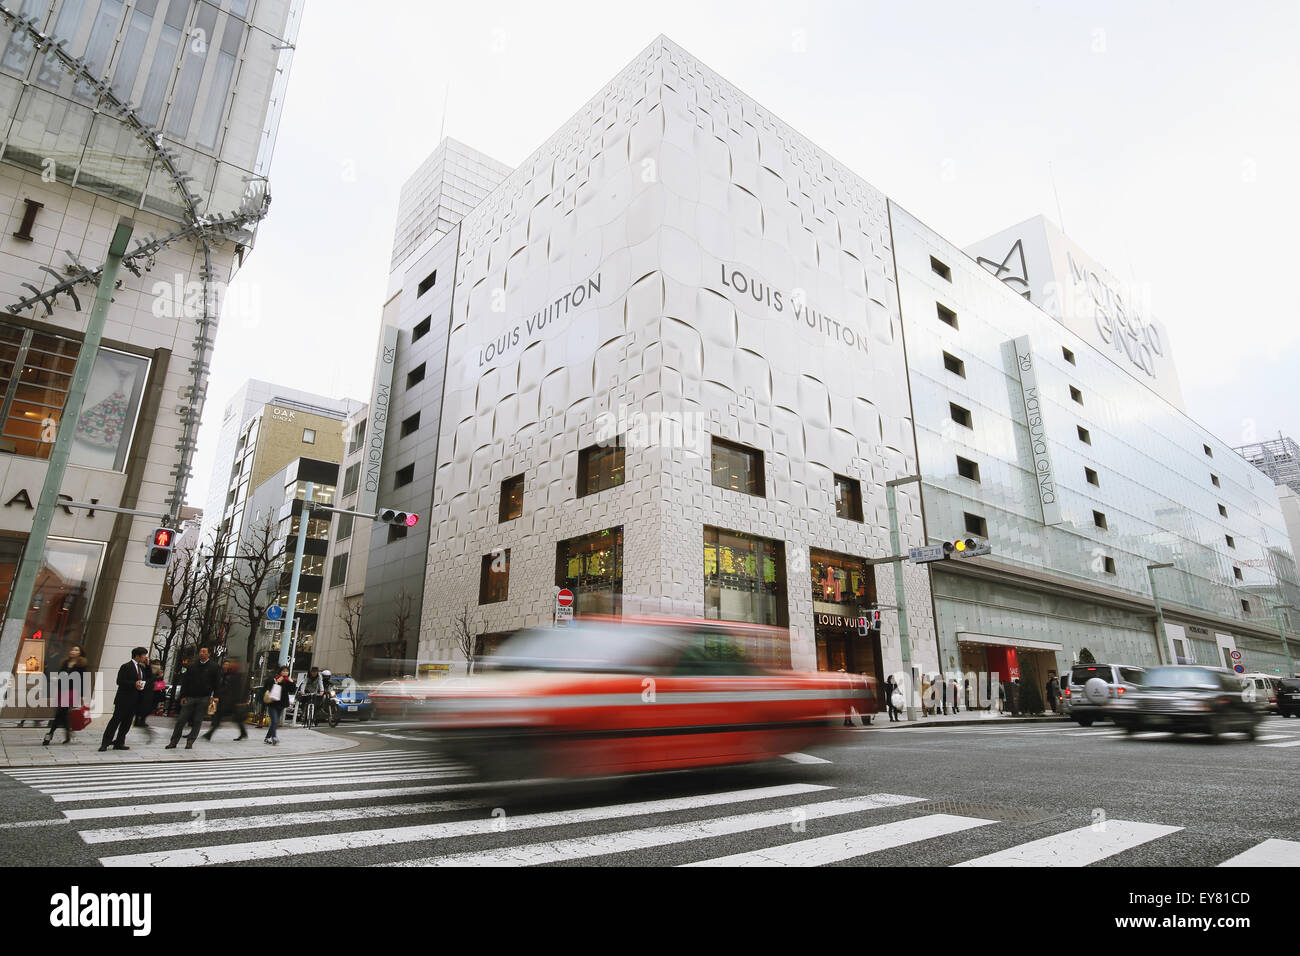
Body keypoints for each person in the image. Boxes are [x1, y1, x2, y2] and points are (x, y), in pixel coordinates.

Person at [166, 645, 221, 749]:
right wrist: (183, 696)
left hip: (204, 697)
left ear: (209, 654)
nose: (202, 653)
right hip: (190, 697)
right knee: (181, 719)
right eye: (201, 651)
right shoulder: (192, 666)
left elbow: (217, 683)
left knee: (197, 720)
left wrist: (216, 696)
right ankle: (173, 741)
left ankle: (190, 741)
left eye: (204, 652)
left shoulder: (214, 667)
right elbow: (185, 682)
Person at [100, 647, 150, 751]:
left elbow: (149, 678)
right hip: (123, 700)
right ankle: (105, 742)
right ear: (137, 656)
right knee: (115, 721)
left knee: (127, 723)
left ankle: (119, 742)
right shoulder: (126, 666)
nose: (145, 657)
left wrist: (148, 666)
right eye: (144, 655)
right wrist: (133, 683)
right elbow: (120, 681)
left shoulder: (142, 668)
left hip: (135, 700)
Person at [44, 645, 87, 745]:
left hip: (72, 692)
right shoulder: (65, 662)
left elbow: (82, 681)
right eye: (72, 649)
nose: (73, 651)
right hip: (61, 690)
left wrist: (81, 695)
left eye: (76, 650)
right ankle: (68, 732)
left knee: (60, 712)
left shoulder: (81, 665)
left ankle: (49, 735)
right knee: (62, 713)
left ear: (80, 653)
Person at [204, 658, 250, 741]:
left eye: (232, 663)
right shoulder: (228, 674)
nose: (230, 664)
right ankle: (243, 733)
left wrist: (240, 701)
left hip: (231, 702)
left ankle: (209, 734)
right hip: (227, 700)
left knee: (221, 717)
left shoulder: (238, 676)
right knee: (233, 719)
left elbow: (239, 690)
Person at [262, 666, 294, 744]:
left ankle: (267, 738)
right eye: (283, 671)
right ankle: (274, 737)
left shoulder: (287, 680)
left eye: (287, 671)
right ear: (280, 672)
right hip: (273, 703)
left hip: (282, 704)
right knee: (275, 721)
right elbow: (269, 688)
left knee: (275, 722)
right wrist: (277, 682)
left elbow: (292, 690)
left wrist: (292, 682)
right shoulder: (274, 678)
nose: (285, 672)